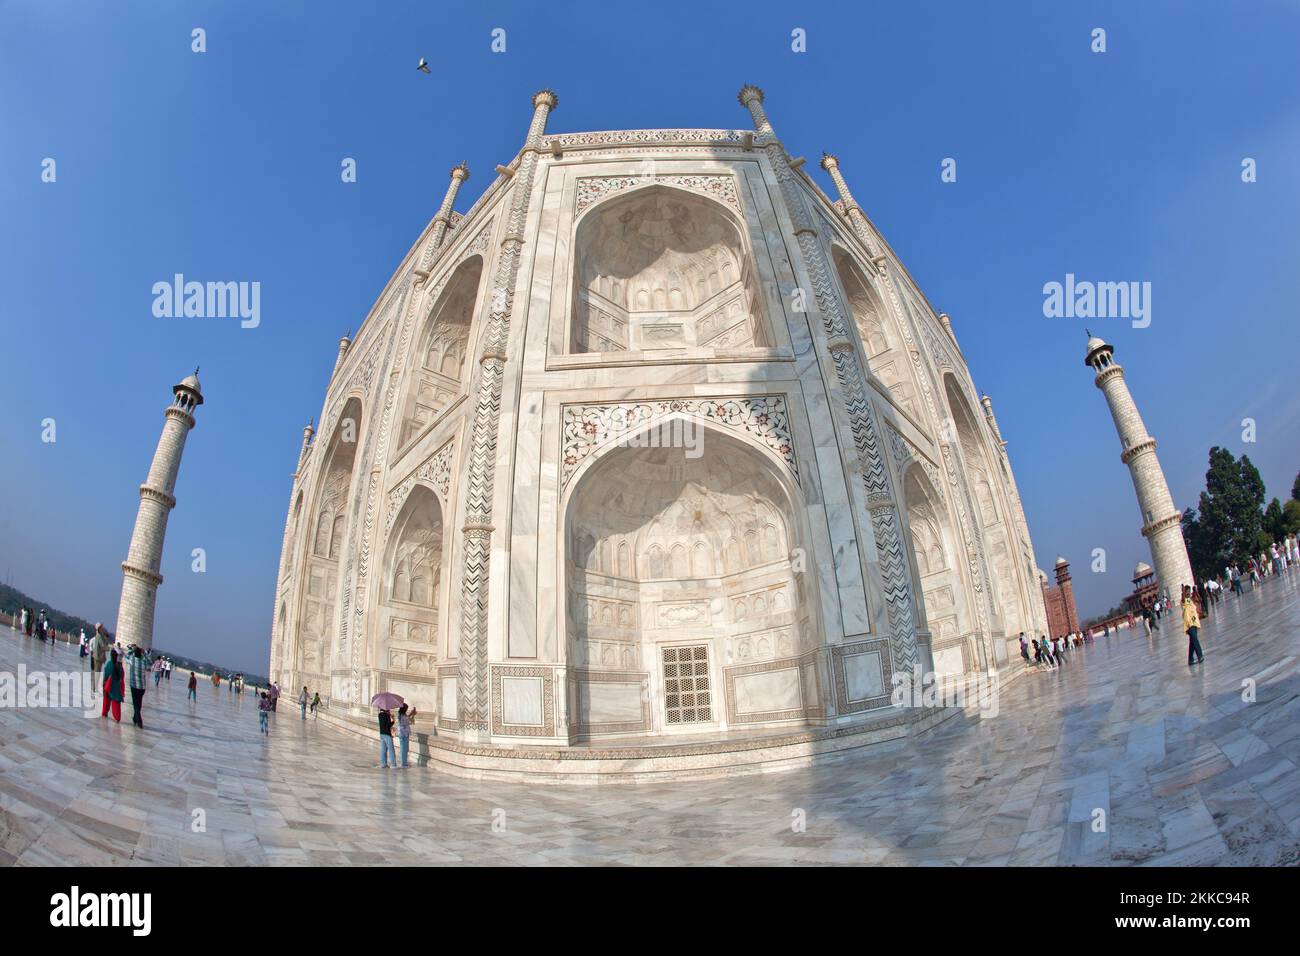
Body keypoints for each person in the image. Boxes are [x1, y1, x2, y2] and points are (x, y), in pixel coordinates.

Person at [1182, 584, 1204, 666]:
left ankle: (1190, 659)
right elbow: (1184, 599)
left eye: (1189, 591)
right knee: (1195, 639)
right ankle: (1200, 656)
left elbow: (1195, 605)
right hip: (1189, 624)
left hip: (1194, 622)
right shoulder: (1184, 601)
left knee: (1192, 641)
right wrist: (1183, 593)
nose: (1189, 593)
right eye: (1187, 592)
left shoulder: (1190, 600)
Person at [101, 649, 125, 722]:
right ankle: (117, 718)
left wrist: (103, 683)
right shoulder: (120, 666)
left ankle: (104, 713)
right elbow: (122, 676)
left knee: (106, 700)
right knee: (116, 703)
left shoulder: (109, 664)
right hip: (117, 687)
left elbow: (106, 675)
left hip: (109, 686)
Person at [126, 645, 148, 728]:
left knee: (135, 703)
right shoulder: (143, 663)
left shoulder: (132, 660)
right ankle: (135, 718)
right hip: (142, 686)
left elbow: (126, 656)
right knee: (139, 703)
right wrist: (145, 653)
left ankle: (139, 720)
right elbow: (149, 663)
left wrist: (131, 649)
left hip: (134, 685)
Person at [397, 704, 418, 768]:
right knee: (404, 749)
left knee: (404, 749)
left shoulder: (402, 715)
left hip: (403, 734)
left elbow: (409, 720)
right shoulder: (402, 716)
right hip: (404, 734)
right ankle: (403, 764)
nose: (407, 710)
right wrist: (412, 714)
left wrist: (412, 714)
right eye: (406, 709)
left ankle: (404, 762)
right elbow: (410, 722)